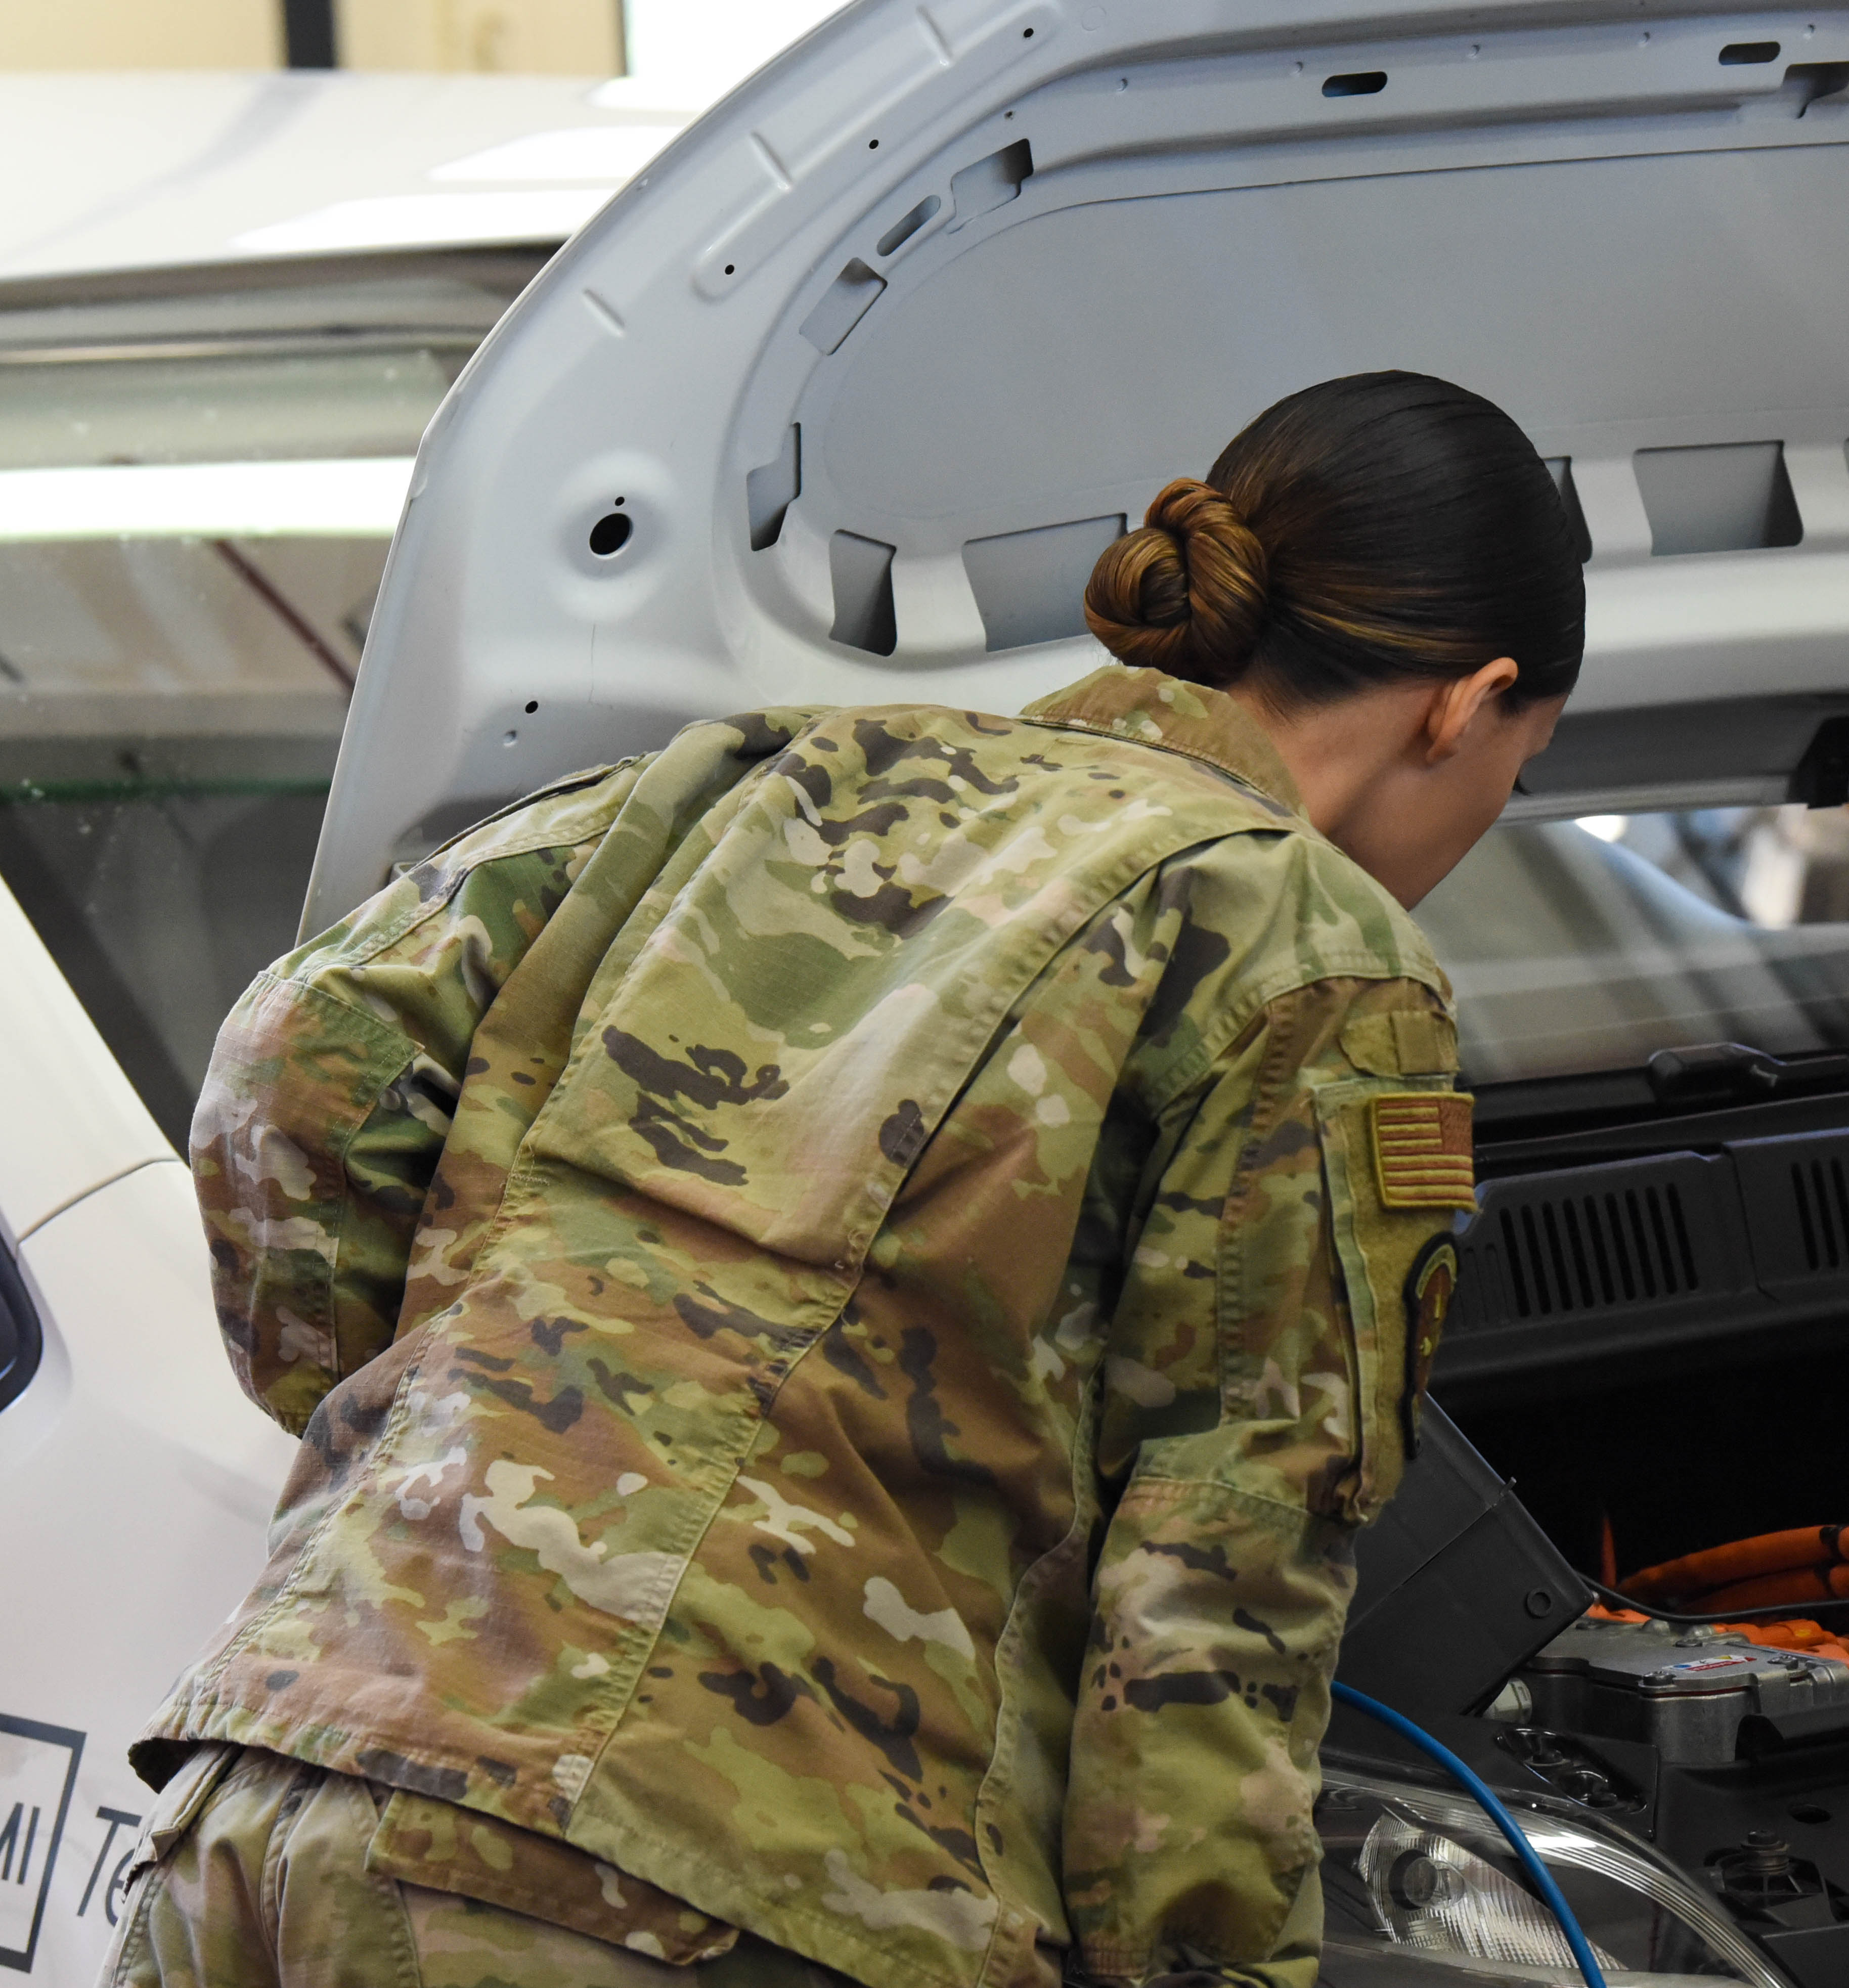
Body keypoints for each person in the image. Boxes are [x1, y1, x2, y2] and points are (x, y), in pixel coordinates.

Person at [110, 371, 1584, 1988]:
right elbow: (1223, 1567)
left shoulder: (762, 775)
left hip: (275, 1792)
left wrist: (467, 1416)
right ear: (1469, 703)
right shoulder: (1306, 948)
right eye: (1522, 764)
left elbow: (301, 1052)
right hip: (684, 1884)